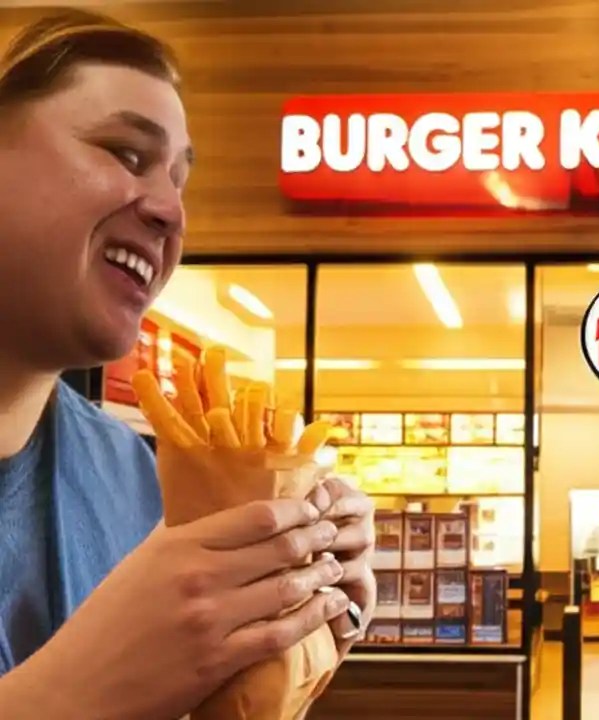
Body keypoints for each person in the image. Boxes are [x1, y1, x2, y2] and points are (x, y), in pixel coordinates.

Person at [0, 9, 376, 719]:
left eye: (180, 180)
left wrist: (298, 632)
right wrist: (66, 695)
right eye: (125, 153)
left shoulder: (139, 482)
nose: (172, 211)